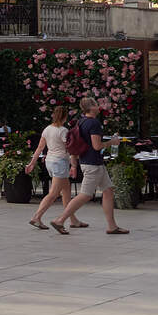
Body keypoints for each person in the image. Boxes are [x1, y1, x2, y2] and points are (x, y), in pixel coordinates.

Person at [51, 96, 127, 236]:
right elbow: (97, 146)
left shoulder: (81, 122)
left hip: (89, 162)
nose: (99, 107)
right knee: (85, 195)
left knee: (108, 191)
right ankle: (60, 220)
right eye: (96, 104)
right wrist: (112, 142)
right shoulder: (94, 123)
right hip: (94, 164)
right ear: (91, 108)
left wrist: (74, 164)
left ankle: (112, 226)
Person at [26, 105, 87, 231]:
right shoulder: (63, 131)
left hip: (50, 162)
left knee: (66, 191)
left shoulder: (47, 129)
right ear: (65, 117)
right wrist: (74, 165)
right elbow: (70, 149)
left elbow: (40, 148)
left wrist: (32, 163)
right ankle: (37, 217)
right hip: (60, 163)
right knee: (53, 193)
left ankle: (73, 220)